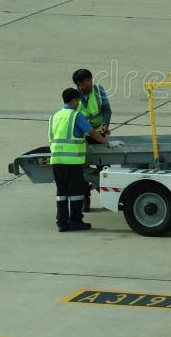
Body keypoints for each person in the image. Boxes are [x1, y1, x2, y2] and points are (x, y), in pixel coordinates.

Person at [48, 88, 108, 232]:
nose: (78, 103)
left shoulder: (54, 116)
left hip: (56, 160)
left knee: (61, 193)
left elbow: (51, 137)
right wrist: (106, 142)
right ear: (74, 100)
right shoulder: (76, 116)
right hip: (72, 162)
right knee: (76, 192)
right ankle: (75, 221)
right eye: (78, 101)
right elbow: (91, 132)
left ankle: (62, 223)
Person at [72, 68, 112, 212]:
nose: (90, 84)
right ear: (79, 84)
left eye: (90, 80)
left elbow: (107, 110)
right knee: (83, 171)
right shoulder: (74, 97)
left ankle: (108, 199)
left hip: (99, 134)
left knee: (104, 168)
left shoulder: (98, 90)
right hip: (83, 138)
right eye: (86, 82)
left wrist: (105, 124)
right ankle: (85, 198)